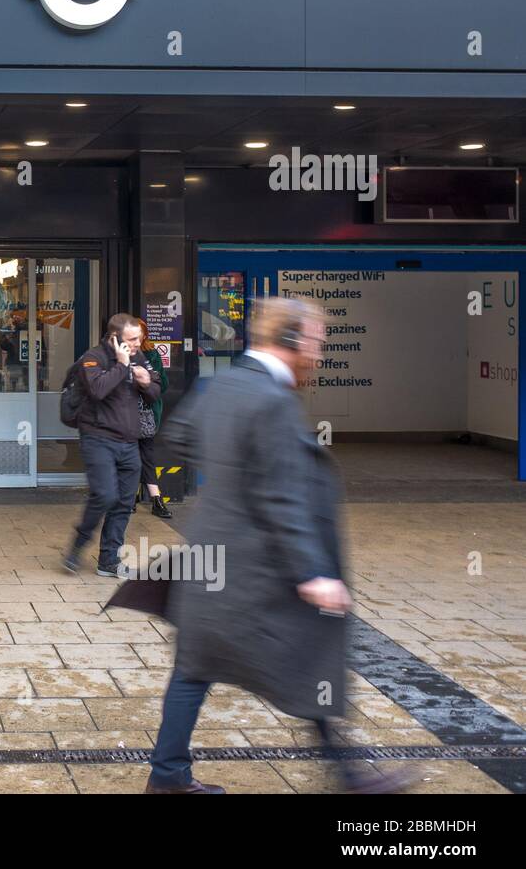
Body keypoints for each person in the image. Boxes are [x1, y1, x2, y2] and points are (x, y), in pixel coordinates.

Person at [145, 297, 405, 795]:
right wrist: (314, 574)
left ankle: (168, 776)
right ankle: (349, 777)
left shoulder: (221, 386)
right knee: (307, 656)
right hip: (259, 567)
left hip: (210, 556)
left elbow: (175, 441)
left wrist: (226, 475)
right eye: (314, 342)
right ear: (289, 340)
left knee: (194, 667)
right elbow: (281, 497)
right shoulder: (273, 401)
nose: (319, 354)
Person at [63, 314, 161, 577]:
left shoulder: (139, 356)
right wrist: (121, 365)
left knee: (123, 503)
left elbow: (155, 392)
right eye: (132, 339)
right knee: (105, 495)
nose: (139, 343)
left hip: (129, 443)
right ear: (115, 338)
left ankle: (109, 560)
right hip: (98, 440)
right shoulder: (92, 358)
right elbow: (97, 389)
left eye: (139, 337)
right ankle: (78, 544)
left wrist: (146, 382)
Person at [134, 316, 172, 520]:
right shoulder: (120, 355)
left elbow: (163, 385)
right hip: (124, 416)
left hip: (146, 414)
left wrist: (146, 381)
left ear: (144, 336)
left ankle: (155, 498)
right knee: (130, 456)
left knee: (146, 455)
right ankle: (134, 496)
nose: (136, 339)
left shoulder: (152, 355)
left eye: (139, 335)